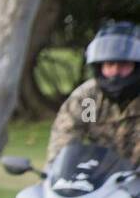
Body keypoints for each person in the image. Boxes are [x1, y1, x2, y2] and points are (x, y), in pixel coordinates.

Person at [46, 21, 140, 167]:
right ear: (99, 66)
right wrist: (58, 167)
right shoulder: (89, 99)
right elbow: (67, 135)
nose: (115, 72)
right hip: (99, 179)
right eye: (109, 65)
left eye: (123, 65)